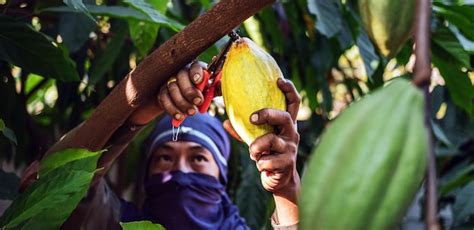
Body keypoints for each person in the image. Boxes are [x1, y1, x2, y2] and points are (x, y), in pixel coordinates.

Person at [27, 62, 302, 229]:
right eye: (165, 159)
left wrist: (286, 188)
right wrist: (148, 105)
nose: (179, 173)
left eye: (198, 159)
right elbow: (60, 185)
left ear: (222, 174)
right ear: (146, 173)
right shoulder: (115, 223)